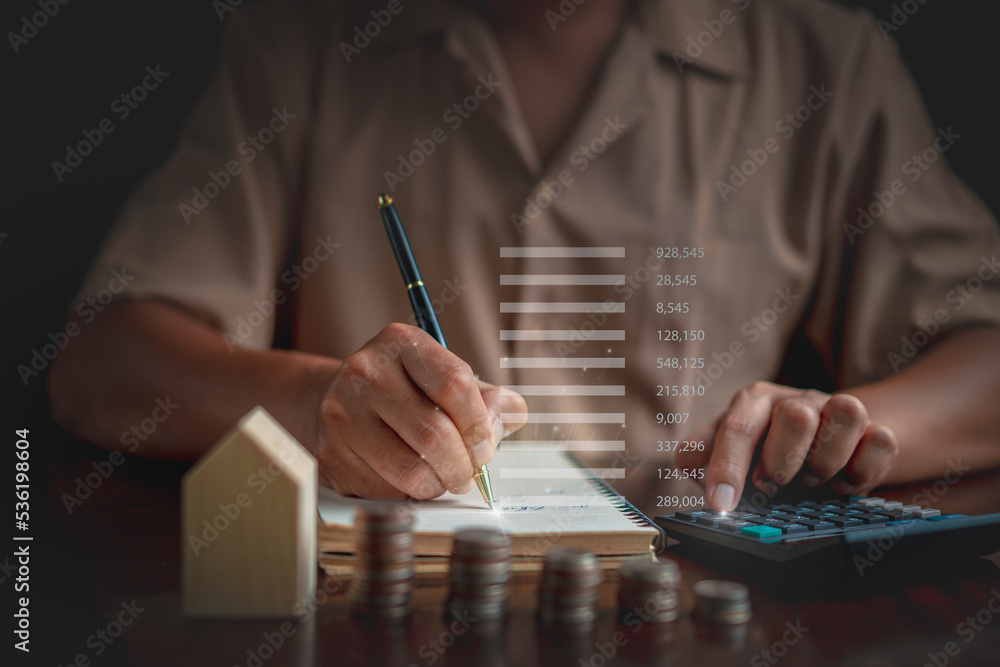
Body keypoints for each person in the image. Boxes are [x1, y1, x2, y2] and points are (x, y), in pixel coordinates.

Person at [49, 0, 1000, 512]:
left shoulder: (823, 60)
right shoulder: (301, 39)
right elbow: (104, 359)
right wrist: (320, 403)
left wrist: (846, 428)